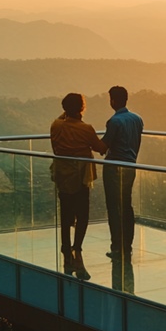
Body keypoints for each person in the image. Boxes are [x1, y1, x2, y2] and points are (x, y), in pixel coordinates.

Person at [49, 93, 107, 279]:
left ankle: (66, 249)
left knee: (66, 214)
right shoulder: (86, 129)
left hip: (62, 176)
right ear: (82, 108)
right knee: (82, 215)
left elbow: (60, 119)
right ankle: (77, 248)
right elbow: (100, 148)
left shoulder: (56, 125)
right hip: (81, 178)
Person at [101, 85, 143, 259]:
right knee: (126, 205)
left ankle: (116, 247)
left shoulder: (114, 122)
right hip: (130, 166)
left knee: (113, 207)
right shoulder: (137, 119)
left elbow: (103, 147)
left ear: (112, 100)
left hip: (114, 168)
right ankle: (128, 246)